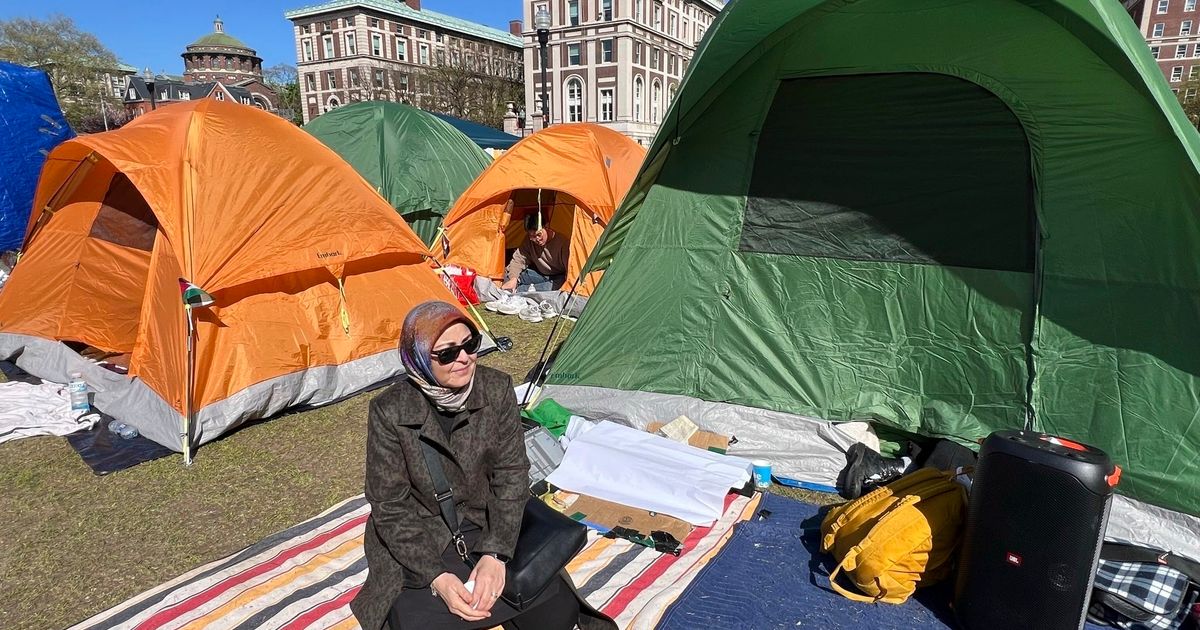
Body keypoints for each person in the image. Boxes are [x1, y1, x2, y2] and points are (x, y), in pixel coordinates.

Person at [351, 301, 614, 630]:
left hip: (486, 521)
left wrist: (496, 554)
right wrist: (437, 577)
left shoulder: (496, 388)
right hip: (424, 534)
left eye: (470, 344)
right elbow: (389, 505)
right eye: (446, 353)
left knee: (556, 615)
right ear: (417, 358)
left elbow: (512, 475)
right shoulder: (390, 410)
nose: (464, 358)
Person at [501, 212, 569, 292]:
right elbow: (518, 260)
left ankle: (521, 290)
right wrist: (513, 279)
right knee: (509, 275)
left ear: (546, 227)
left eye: (538, 235)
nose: (536, 239)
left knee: (554, 287)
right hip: (539, 274)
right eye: (532, 236)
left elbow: (570, 271)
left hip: (558, 277)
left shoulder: (563, 243)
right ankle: (522, 288)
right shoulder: (529, 241)